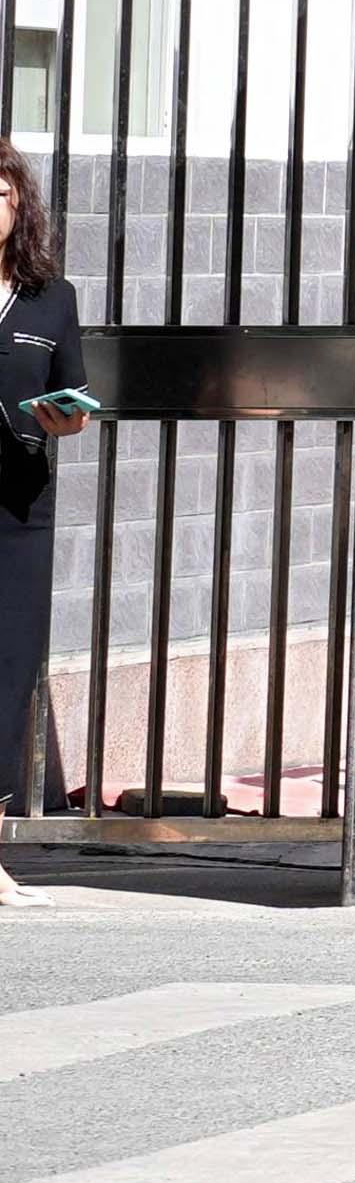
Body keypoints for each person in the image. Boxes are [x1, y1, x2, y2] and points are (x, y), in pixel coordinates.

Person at [0, 134, 89, 846]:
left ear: (19, 204)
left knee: (7, 677)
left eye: (0, 194)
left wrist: (65, 419)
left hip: (18, 509)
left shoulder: (51, 299)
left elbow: (75, 400)